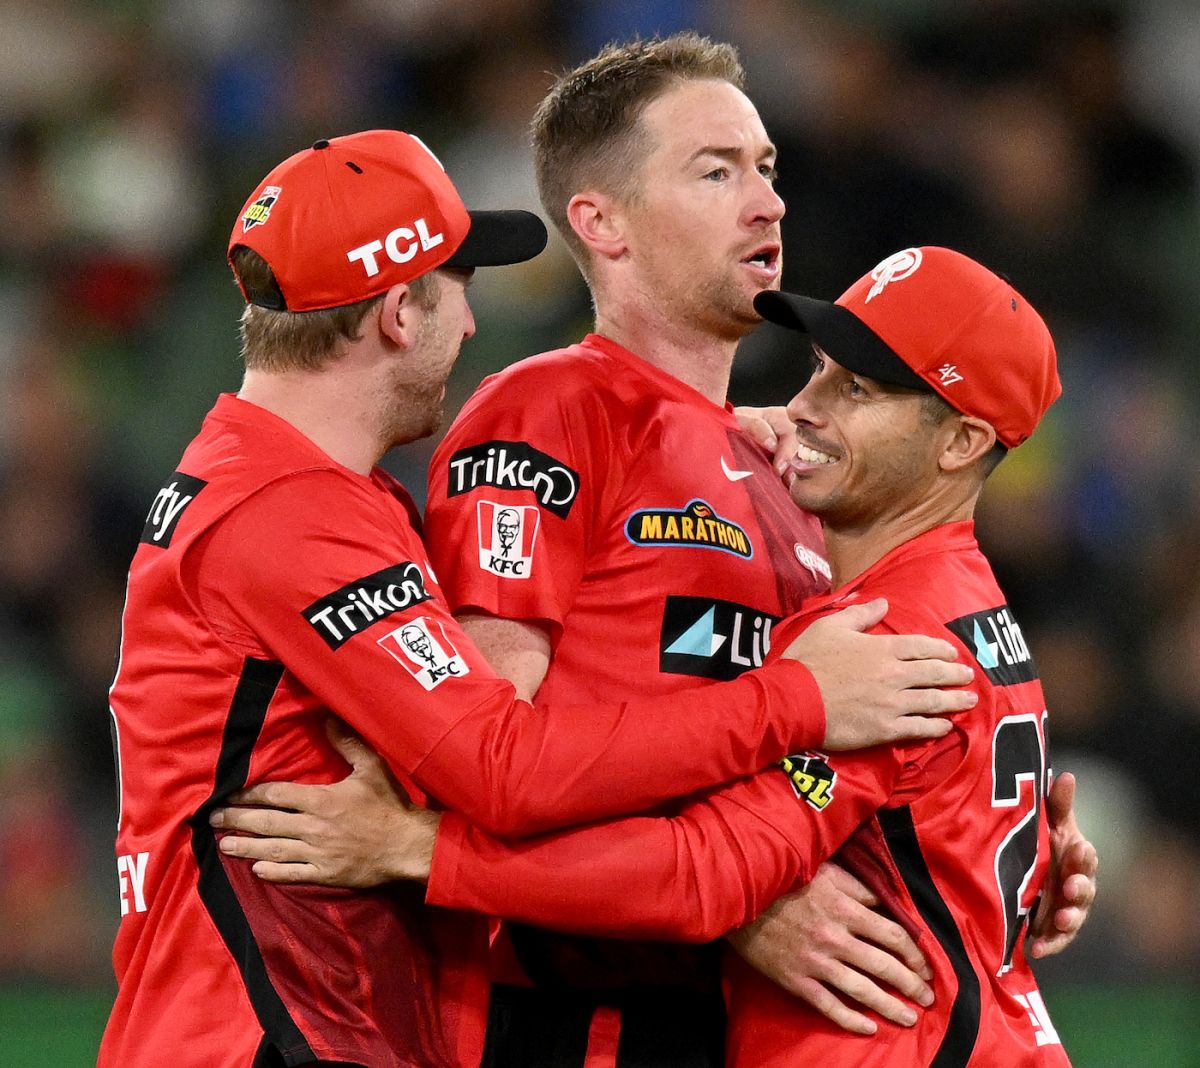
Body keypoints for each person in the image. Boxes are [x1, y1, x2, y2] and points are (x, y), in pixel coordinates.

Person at [213, 35, 1092, 1068]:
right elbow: (472, 762)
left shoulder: (789, 471)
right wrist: (738, 901)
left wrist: (963, 858)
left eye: (766, 168)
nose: (766, 202)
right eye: (715, 172)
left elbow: (808, 775)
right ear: (602, 223)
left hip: (701, 1018)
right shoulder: (551, 414)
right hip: (542, 1018)